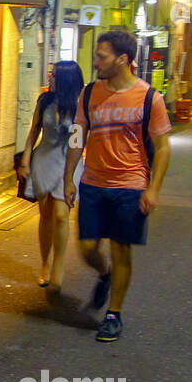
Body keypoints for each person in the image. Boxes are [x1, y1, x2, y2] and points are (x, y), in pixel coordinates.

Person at [63, 31, 171, 343]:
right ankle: (104, 274)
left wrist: (153, 189)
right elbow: (76, 135)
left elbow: (162, 148)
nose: (95, 62)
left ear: (122, 60)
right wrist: (69, 177)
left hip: (130, 184)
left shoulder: (150, 98)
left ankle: (114, 314)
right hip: (93, 183)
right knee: (87, 249)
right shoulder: (89, 93)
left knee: (121, 250)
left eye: (101, 57)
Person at [17, 60, 84, 293]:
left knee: (61, 215)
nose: (50, 78)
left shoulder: (79, 106)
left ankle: (59, 265)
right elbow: (34, 130)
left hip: (69, 162)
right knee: (45, 215)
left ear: (66, 79)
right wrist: (25, 159)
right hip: (44, 159)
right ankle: (44, 263)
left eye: (54, 75)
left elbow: (79, 140)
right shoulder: (45, 100)